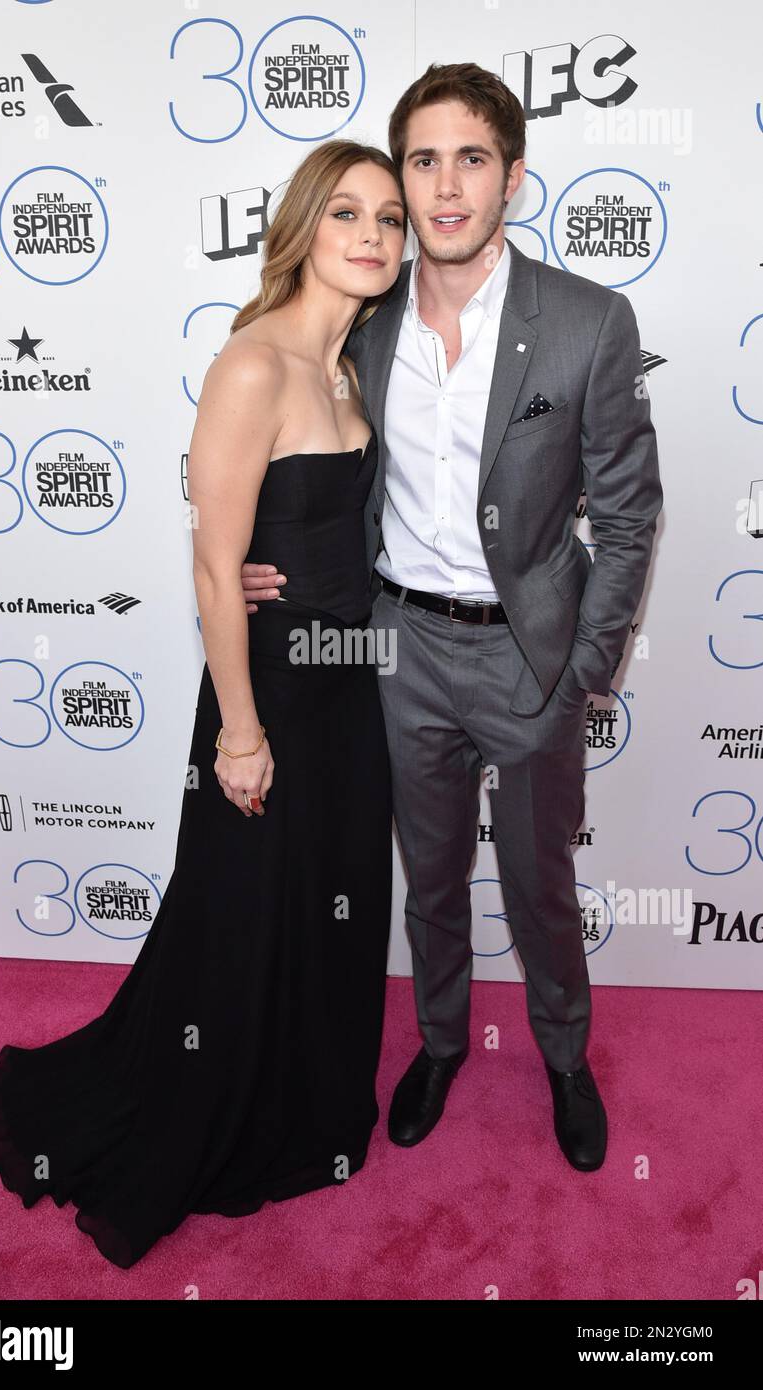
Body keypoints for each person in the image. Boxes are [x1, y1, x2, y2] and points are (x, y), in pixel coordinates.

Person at [0, 140, 406, 1267]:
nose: (373, 235)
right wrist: (241, 730)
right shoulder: (252, 364)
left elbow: (321, 530)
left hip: (348, 678)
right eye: (348, 212)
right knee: (243, 906)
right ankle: (217, 1107)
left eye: (391, 219)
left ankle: (308, 1104)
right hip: (270, 695)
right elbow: (218, 568)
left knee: (331, 895)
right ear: (307, 226)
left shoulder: (351, 365)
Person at [241, 64, 663, 1172]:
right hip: (399, 651)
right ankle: (437, 1043)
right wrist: (259, 561)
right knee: (427, 876)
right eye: (421, 159)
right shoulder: (363, 325)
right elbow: (310, 463)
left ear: (511, 178)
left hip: (530, 659)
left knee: (538, 885)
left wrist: (582, 672)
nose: (442, 185)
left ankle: (563, 1057)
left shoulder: (585, 322)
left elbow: (627, 515)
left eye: (469, 157)